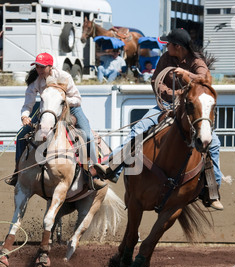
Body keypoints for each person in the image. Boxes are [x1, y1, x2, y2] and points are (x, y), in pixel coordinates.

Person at [93, 28, 224, 210]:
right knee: (139, 129)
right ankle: (113, 166)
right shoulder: (165, 59)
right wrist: (174, 93)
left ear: (177, 46)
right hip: (167, 105)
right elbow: (156, 81)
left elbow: (205, 79)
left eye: (168, 44)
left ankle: (212, 189)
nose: (166, 46)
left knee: (214, 144)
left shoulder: (197, 62)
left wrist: (187, 76)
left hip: (191, 110)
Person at [5, 52, 106, 190]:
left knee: (88, 136)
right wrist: (25, 116)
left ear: (50, 67)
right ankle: (17, 171)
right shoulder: (36, 81)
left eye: (42, 67)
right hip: (46, 110)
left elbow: (77, 98)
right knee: (21, 135)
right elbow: (28, 103)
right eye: (37, 67)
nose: (38, 70)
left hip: (72, 108)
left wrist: (62, 101)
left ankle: (92, 173)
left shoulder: (64, 76)